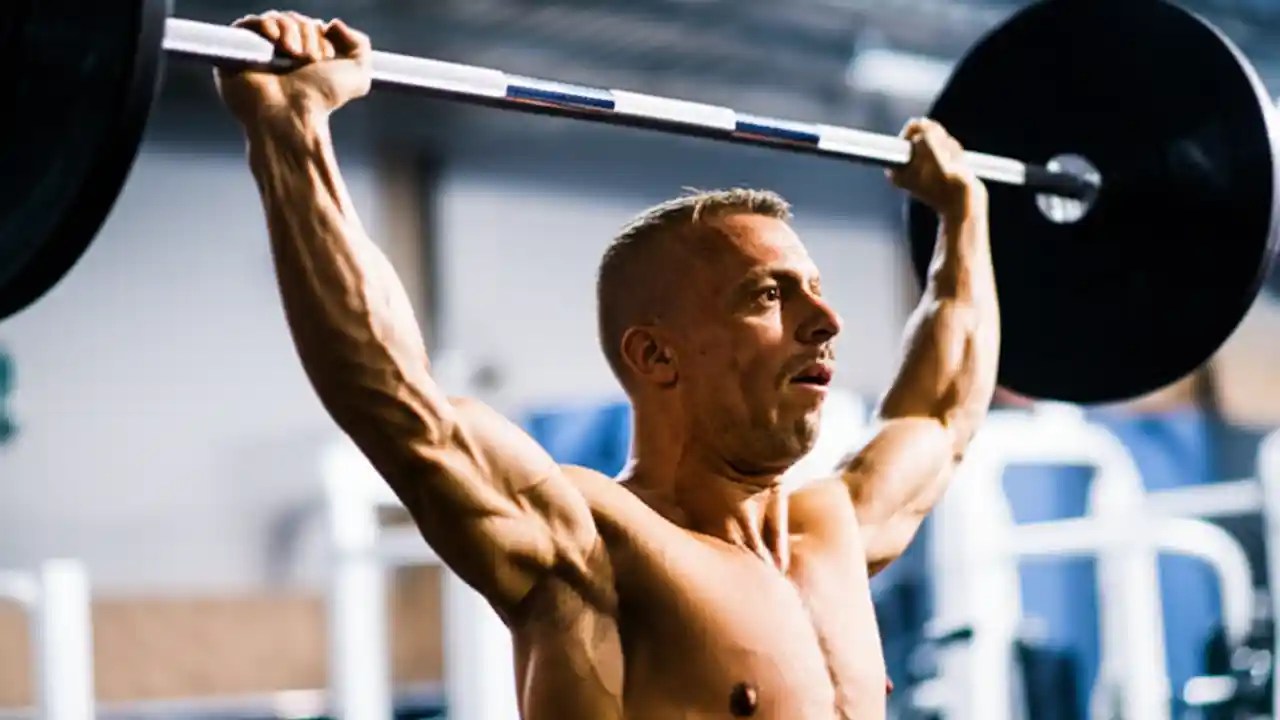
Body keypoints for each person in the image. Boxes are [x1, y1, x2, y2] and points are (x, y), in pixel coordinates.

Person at [215, 11, 998, 720]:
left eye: (817, 293)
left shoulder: (835, 529)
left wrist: (965, 214)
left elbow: (941, 414)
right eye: (769, 296)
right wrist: (293, 132)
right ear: (654, 355)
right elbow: (398, 405)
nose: (826, 322)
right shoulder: (591, 544)